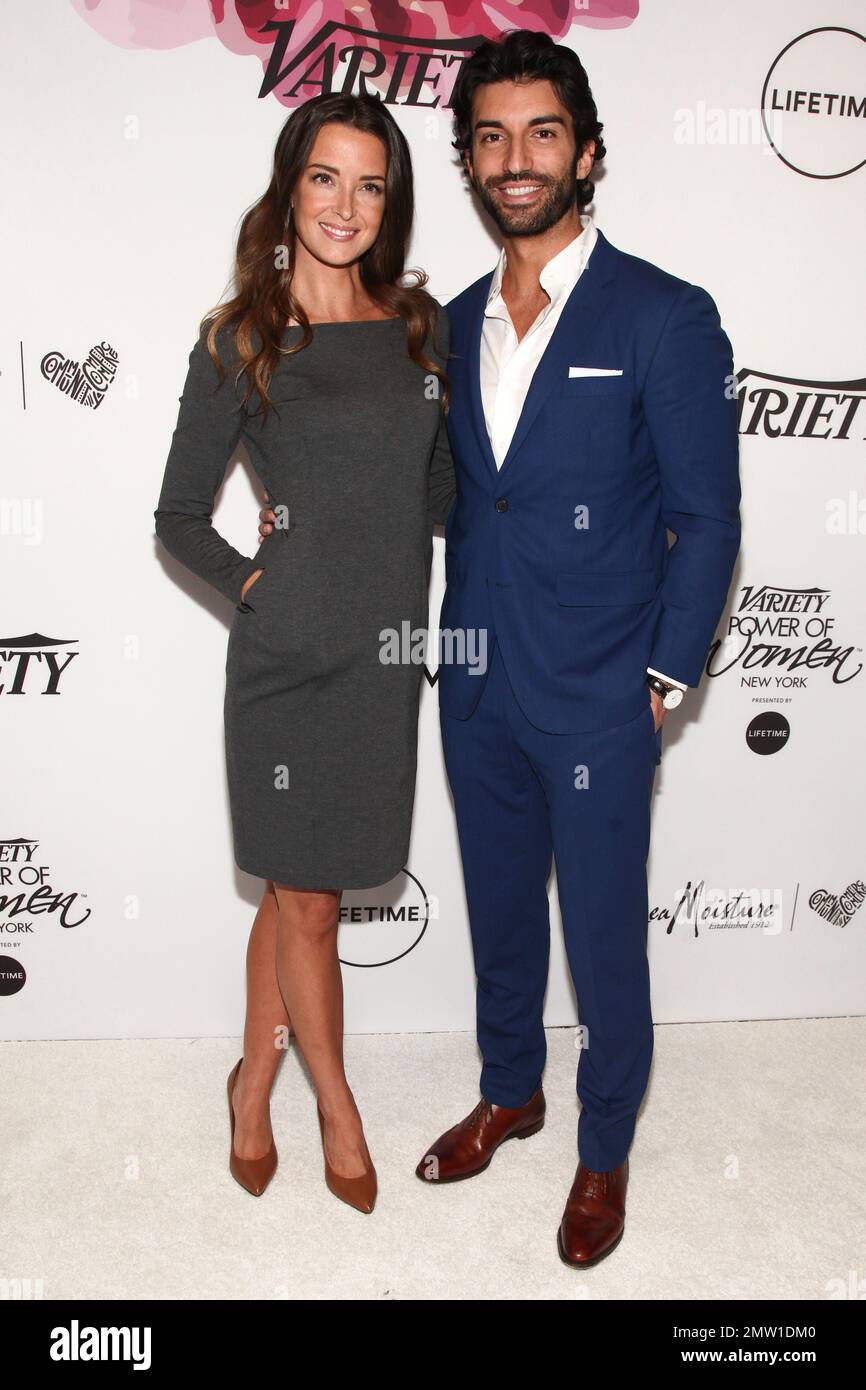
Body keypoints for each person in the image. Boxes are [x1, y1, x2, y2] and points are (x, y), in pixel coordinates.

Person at [258, 30, 741, 1267]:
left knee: (599, 934)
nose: (514, 159)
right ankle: (509, 1088)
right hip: (471, 682)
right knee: (498, 918)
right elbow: (426, 494)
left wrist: (661, 679)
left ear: (585, 154)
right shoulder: (447, 325)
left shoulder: (664, 316)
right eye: (488, 136)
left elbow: (705, 515)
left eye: (539, 134)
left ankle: (601, 1144)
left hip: (599, 692)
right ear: (466, 162)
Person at [153, 91, 456, 1214]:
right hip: (284, 668)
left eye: (370, 183)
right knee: (311, 904)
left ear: (392, 201)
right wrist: (255, 588)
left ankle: (248, 1081)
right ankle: (332, 1100)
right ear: (290, 188)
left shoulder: (418, 331)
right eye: (324, 177)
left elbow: (437, 494)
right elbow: (179, 516)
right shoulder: (241, 340)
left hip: (381, 661)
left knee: (292, 901)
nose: (345, 204)